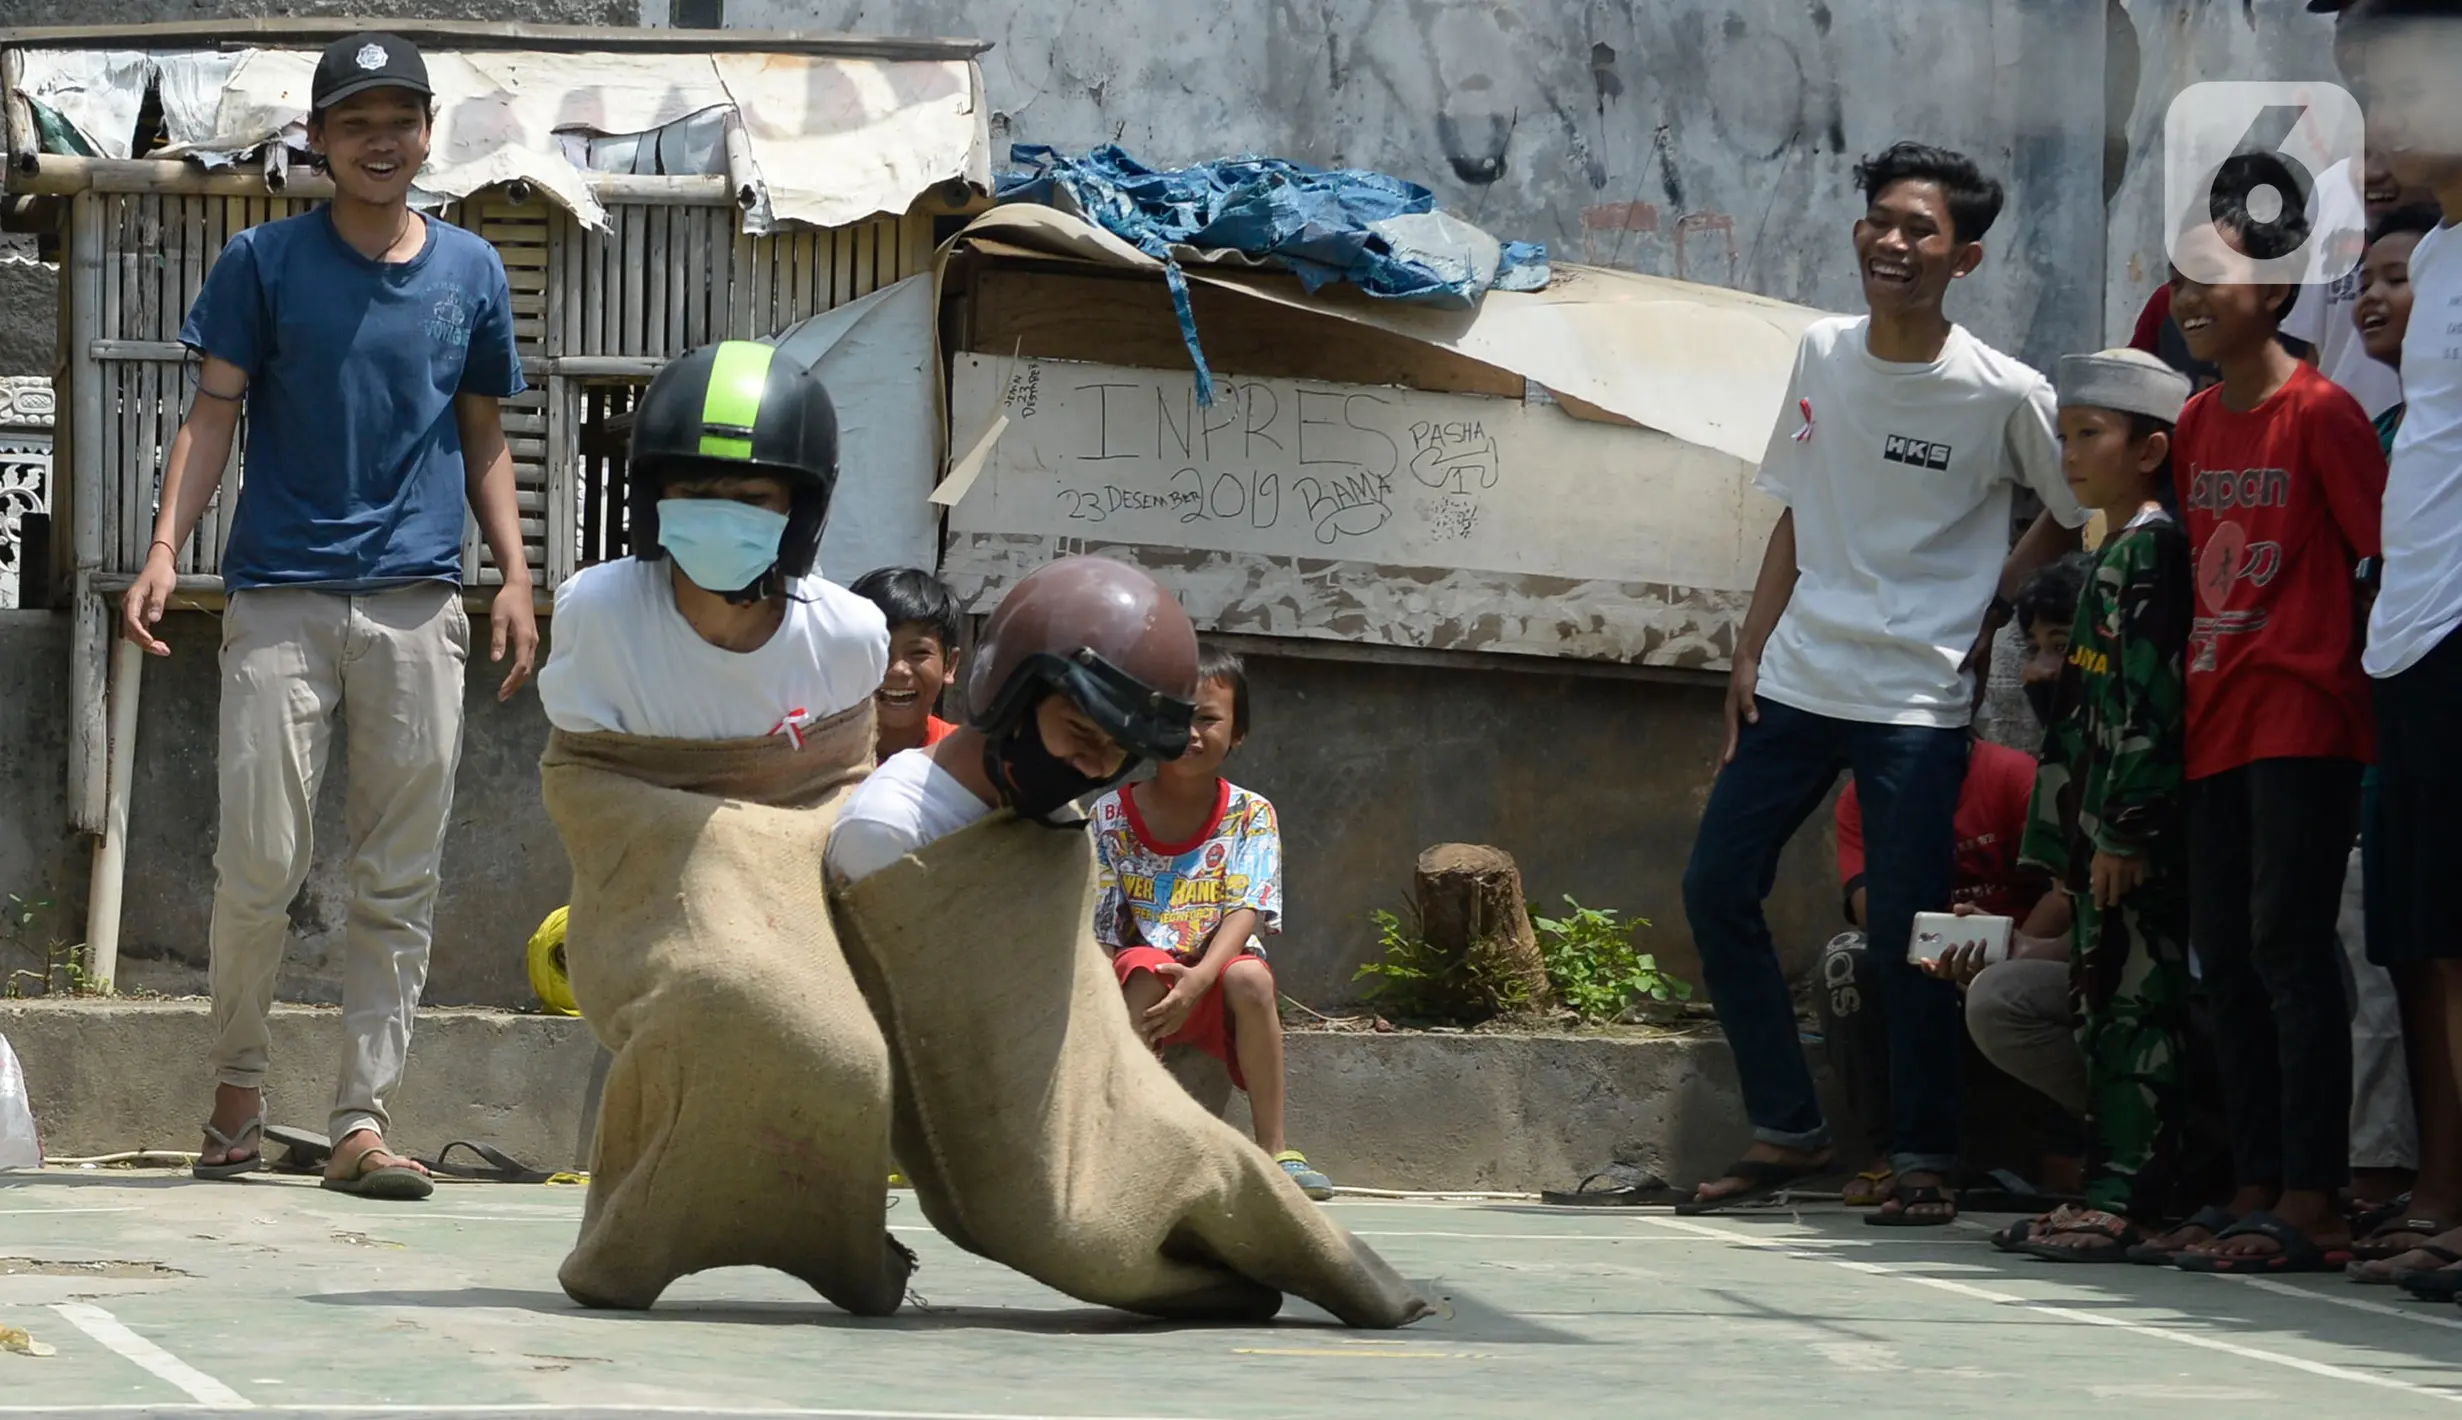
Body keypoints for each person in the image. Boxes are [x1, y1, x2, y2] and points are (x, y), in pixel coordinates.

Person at [122, 33, 535, 1199]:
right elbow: (210, 418)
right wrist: (164, 551)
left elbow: (484, 434)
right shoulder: (260, 261)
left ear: (427, 130)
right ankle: (239, 1087)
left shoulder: (471, 271)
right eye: (357, 121)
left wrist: (513, 575)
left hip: (417, 603)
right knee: (259, 858)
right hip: (281, 598)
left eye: (399, 116)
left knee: (399, 874)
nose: (380, 139)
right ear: (317, 139)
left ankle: (361, 1119)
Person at [1678, 141, 2087, 1227]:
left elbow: (2073, 500)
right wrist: (1748, 649)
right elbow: (1794, 509)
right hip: (1803, 675)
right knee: (1716, 884)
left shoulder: (2004, 390)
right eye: (1879, 222)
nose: (1891, 243)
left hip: (1916, 700)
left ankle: (1923, 1151)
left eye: (1919, 230)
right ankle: (1786, 1123)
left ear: (1964, 257)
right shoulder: (1819, 352)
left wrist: (1993, 594)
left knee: (1912, 931)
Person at [534, 336, 913, 1315]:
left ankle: (839, 1241)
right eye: (698, 490)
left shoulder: (847, 636)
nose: (724, 516)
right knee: (712, 986)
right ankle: (626, 1244)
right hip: (649, 911)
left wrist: (764, 850)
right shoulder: (598, 614)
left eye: (754, 499)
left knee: (850, 1047)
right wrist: (725, 838)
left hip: (800, 917)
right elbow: (598, 793)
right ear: (653, 497)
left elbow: (836, 803)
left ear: (801, 515)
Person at [2146, 154, 2387, 1273]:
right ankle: (2248, 1182)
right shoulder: (2194, 425)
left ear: (2276, 293)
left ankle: (2314, 1196)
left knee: (2287, 950)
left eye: (2211, 279)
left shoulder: (2321, 412)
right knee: (2224, 960)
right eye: (2179, 281)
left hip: (2301, 716)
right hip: (2212, 718)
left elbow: (2381, 557)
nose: (2189, 300)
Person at [1974, 350, 2197, 1261]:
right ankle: (2112, 1185)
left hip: (2132, 839)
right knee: (2099, 1008)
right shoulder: (2105, 551)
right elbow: (2081, 721)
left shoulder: (2152, 549)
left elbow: (2148, 704)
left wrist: (2126, 829)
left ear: (2149, 450)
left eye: (2089, 436)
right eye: (2063, 436)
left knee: (2137, 1011)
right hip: (2096, 833)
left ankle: (2129, 1195)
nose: (2069, 455)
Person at [1818, 553, 2077, 1209]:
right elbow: (1865, 903)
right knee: (1845, 962)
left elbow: (2064, 890)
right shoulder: (1861, 799)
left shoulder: (2015, 775)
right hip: (1919, 948)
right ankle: (1894, 1149)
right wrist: (1931, 939)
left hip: (2017, 947)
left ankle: (2070, 1147)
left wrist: (2006, 944)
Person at [2343, 0, 2462, 1299]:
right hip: (2413, 640)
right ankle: (2442, 1193)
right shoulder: (2435, 262)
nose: (2373, 132)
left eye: (2394, 93)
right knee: (2422, 941)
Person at [1087, 646, 1329, 1201]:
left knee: (1251, 978)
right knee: (1142, 969)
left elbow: (1247, 909)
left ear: (1237, 732)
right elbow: (1102, 927)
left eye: (1207, 718)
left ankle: (1276, 1152)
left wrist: (1201, 979)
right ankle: (1131, 1138)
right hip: (1145, 978)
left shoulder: (1252, 814)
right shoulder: (1110, 815)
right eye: (1172, 717)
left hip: (1221, 975)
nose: (1189, 733)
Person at [826, 555, 1199, 883]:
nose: (1095, 764)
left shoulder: (1058, 823)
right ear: (1012, 697)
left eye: (1120, 748)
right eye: (1081, 731)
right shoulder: (890, 827)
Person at [849, 566, 962, 761]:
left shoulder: (969, 760)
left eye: (918, 653)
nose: (898, 670)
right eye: (879, 652)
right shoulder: (812, 760)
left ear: (949, 665)